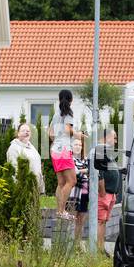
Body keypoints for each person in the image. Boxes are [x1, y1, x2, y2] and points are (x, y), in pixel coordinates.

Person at [50, 90, 79, 220]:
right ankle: (62, 211)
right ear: (71, 100)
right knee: (72, 181)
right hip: (64, 150)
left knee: (61, 182)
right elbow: (68, 130)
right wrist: (79, 134)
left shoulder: (56, 114)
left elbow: (50, 134)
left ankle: (59, 211)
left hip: (55, 150)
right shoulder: (68, 113)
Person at [91, 128, 120, 244]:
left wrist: (115, 192)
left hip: (111, 194)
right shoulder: (100, 151)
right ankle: (98, 248)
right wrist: (102, 192)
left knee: (104, 221)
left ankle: (100, 248)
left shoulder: (108, 152)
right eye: (114, 137)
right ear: (107, 137)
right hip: (104, 193)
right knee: (100, 221)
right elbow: (99, 173)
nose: (116, 141)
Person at [6, 122, 44, 194]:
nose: (26, 132)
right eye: (23, 131)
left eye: (28, 131)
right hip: (22, 189)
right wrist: (19, 188)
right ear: (18, 133)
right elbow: (14, 169)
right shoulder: (13, 148)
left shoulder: (31, 147)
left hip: (34, 187)